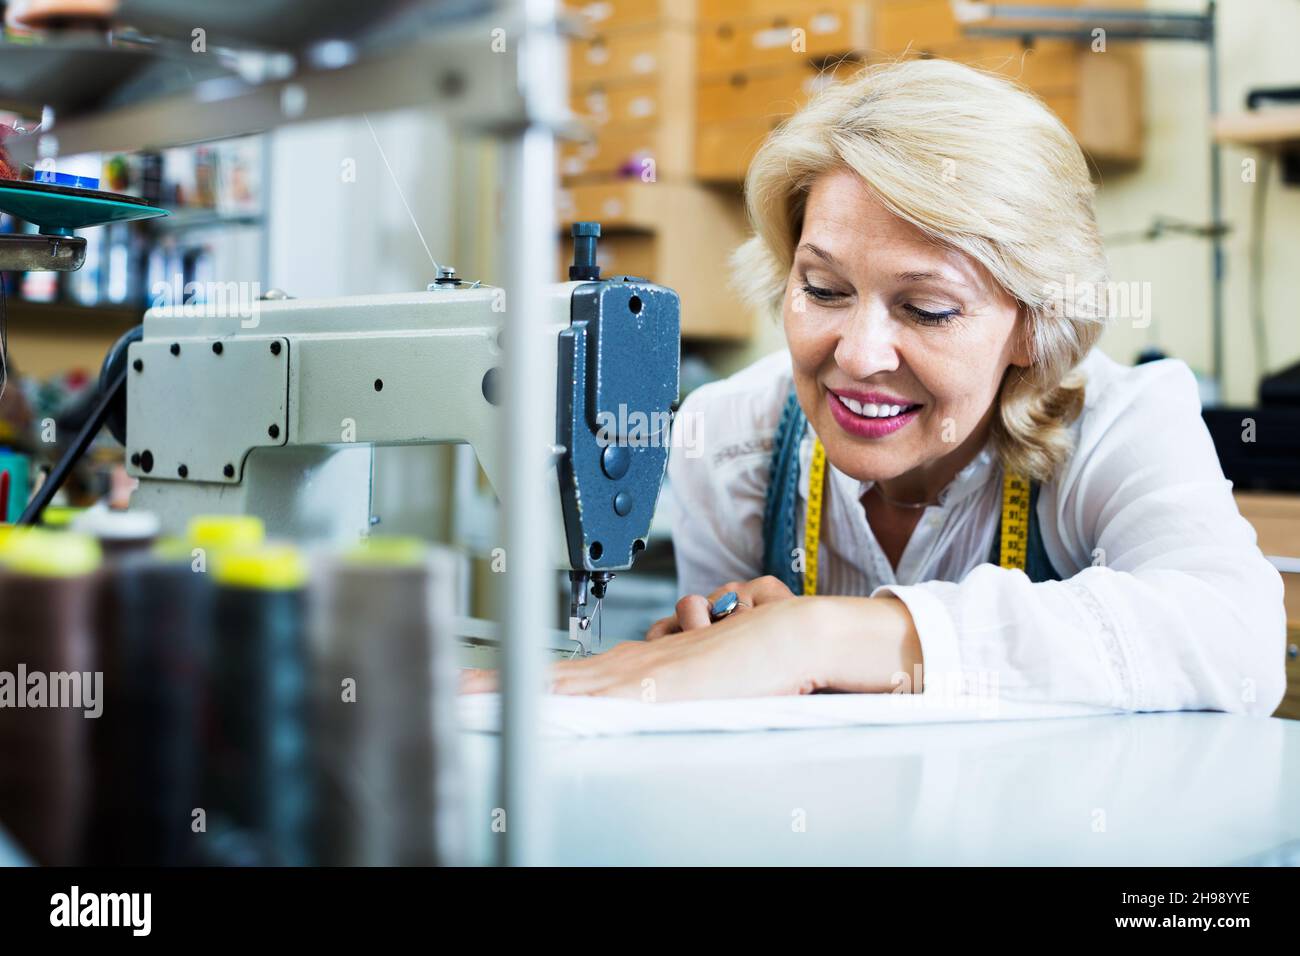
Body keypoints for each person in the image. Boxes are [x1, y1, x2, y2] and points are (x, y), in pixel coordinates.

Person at [464, 58, 1286, 714]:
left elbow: (1237, 644)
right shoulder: (730, 440)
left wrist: (821, 636)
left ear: (1034, 326)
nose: (857, 356)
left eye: (926, 309)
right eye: (822, 289)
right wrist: (720, 645)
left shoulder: (1116, 423)